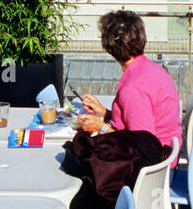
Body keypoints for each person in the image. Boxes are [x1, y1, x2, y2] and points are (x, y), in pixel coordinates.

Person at [78, 9, 182, 161]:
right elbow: (139, 120)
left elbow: (141, 145)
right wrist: (105, 113)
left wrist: (101, 127)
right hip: (165, 153)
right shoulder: (152, 69)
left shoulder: (133, 88)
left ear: (108, 46)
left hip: (150, 167)